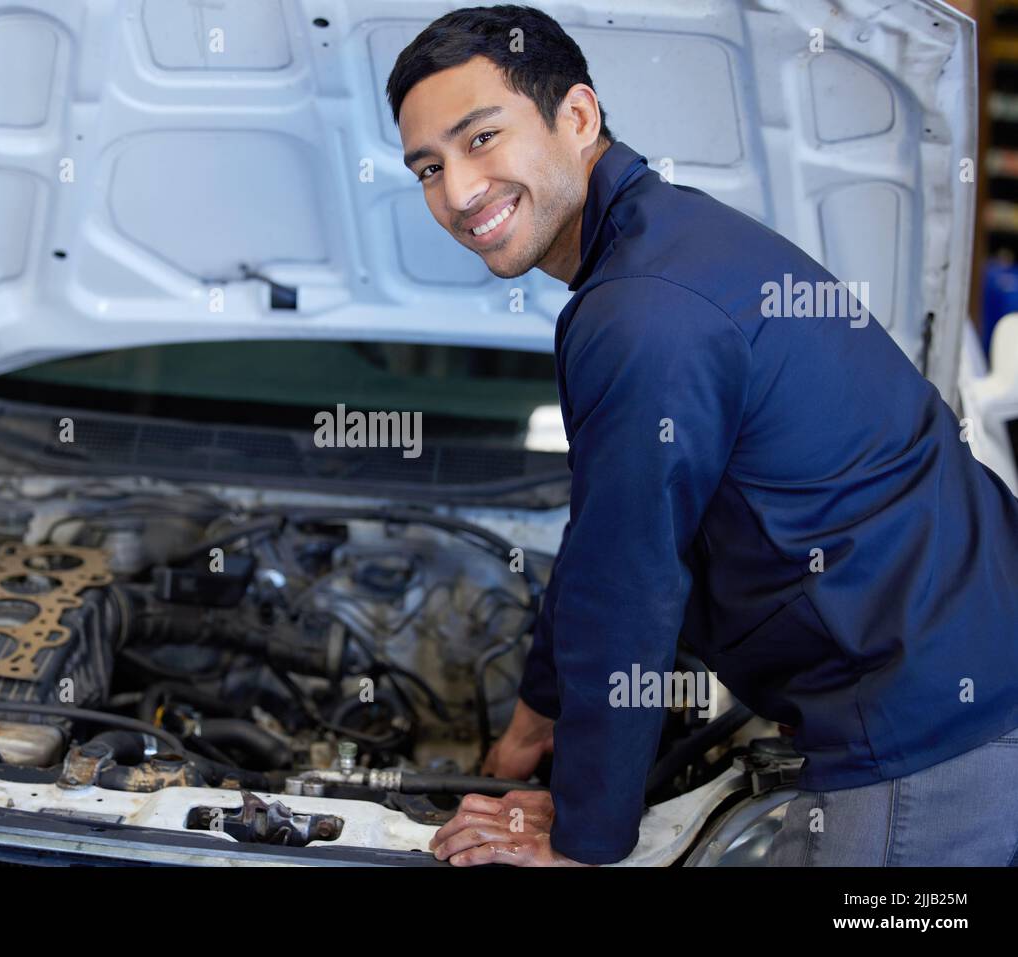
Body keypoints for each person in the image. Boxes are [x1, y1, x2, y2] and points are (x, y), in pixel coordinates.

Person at [387, 4, 1018, 867]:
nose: (457, 192)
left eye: (482, 138)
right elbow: (605, 530)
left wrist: (583, 844)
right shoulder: (664, 243)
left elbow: (631, 582)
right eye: (428, 166)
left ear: (577, 116)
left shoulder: (642, 309)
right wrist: (534, 724)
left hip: (928, 743)